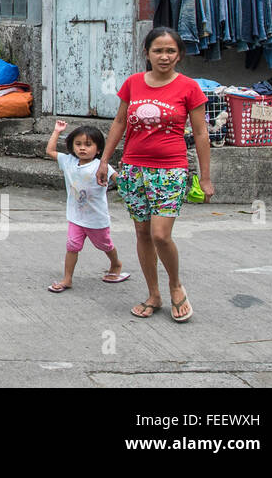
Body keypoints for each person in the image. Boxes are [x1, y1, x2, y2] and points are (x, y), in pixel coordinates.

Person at [99, 26, 213, 322]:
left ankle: (175, 286)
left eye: (170, 51)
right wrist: (104, 160)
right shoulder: (133, 83)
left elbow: (201, 134)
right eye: (158, 51)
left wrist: (205, 176)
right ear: (147, 53)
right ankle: (154, 293)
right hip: (134, 169)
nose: (164, 56)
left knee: (161, 235)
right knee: (141, 232)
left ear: (179, 55)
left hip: (171, 170)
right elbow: (120, 123)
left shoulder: (189, 87)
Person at [45, 120, 128, 292]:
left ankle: (116, 263)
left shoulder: (101, 165)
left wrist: (125, 174)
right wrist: (57, 131)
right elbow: (50, 151)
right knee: (72, 246)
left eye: (88, 145)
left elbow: (119, 181)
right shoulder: (68, 161)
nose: (82, 148)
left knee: (105, 245)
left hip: (96, 219)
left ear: (98, 149)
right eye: (78, 144)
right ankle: (67, 279)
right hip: (75, 217)